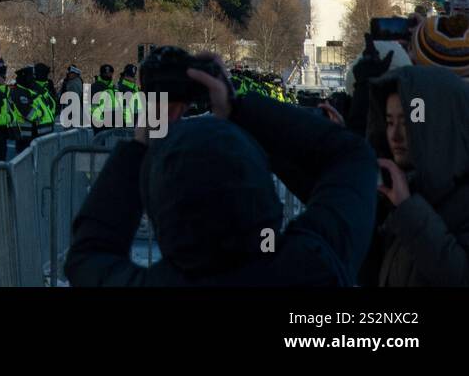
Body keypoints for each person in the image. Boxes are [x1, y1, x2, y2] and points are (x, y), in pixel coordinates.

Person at [65, 52, 377, 286]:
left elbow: (89, 253)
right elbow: (352, 157)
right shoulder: (313, 267)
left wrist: (141, 143)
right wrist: (237, 108)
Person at [363, 64, 469, 285]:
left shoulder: (455, 199)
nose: (395, 135)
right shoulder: (405, 190)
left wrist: (408, 210)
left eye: (408, 123)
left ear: (439, 125)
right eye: (390, 122)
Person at [90, 63, 116, 131]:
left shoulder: (113, 87)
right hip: (100, 126)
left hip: (112, 124)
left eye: (110, 73)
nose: (108, 75)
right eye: (106, 73)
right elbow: (93, 107)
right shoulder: (95, 87)